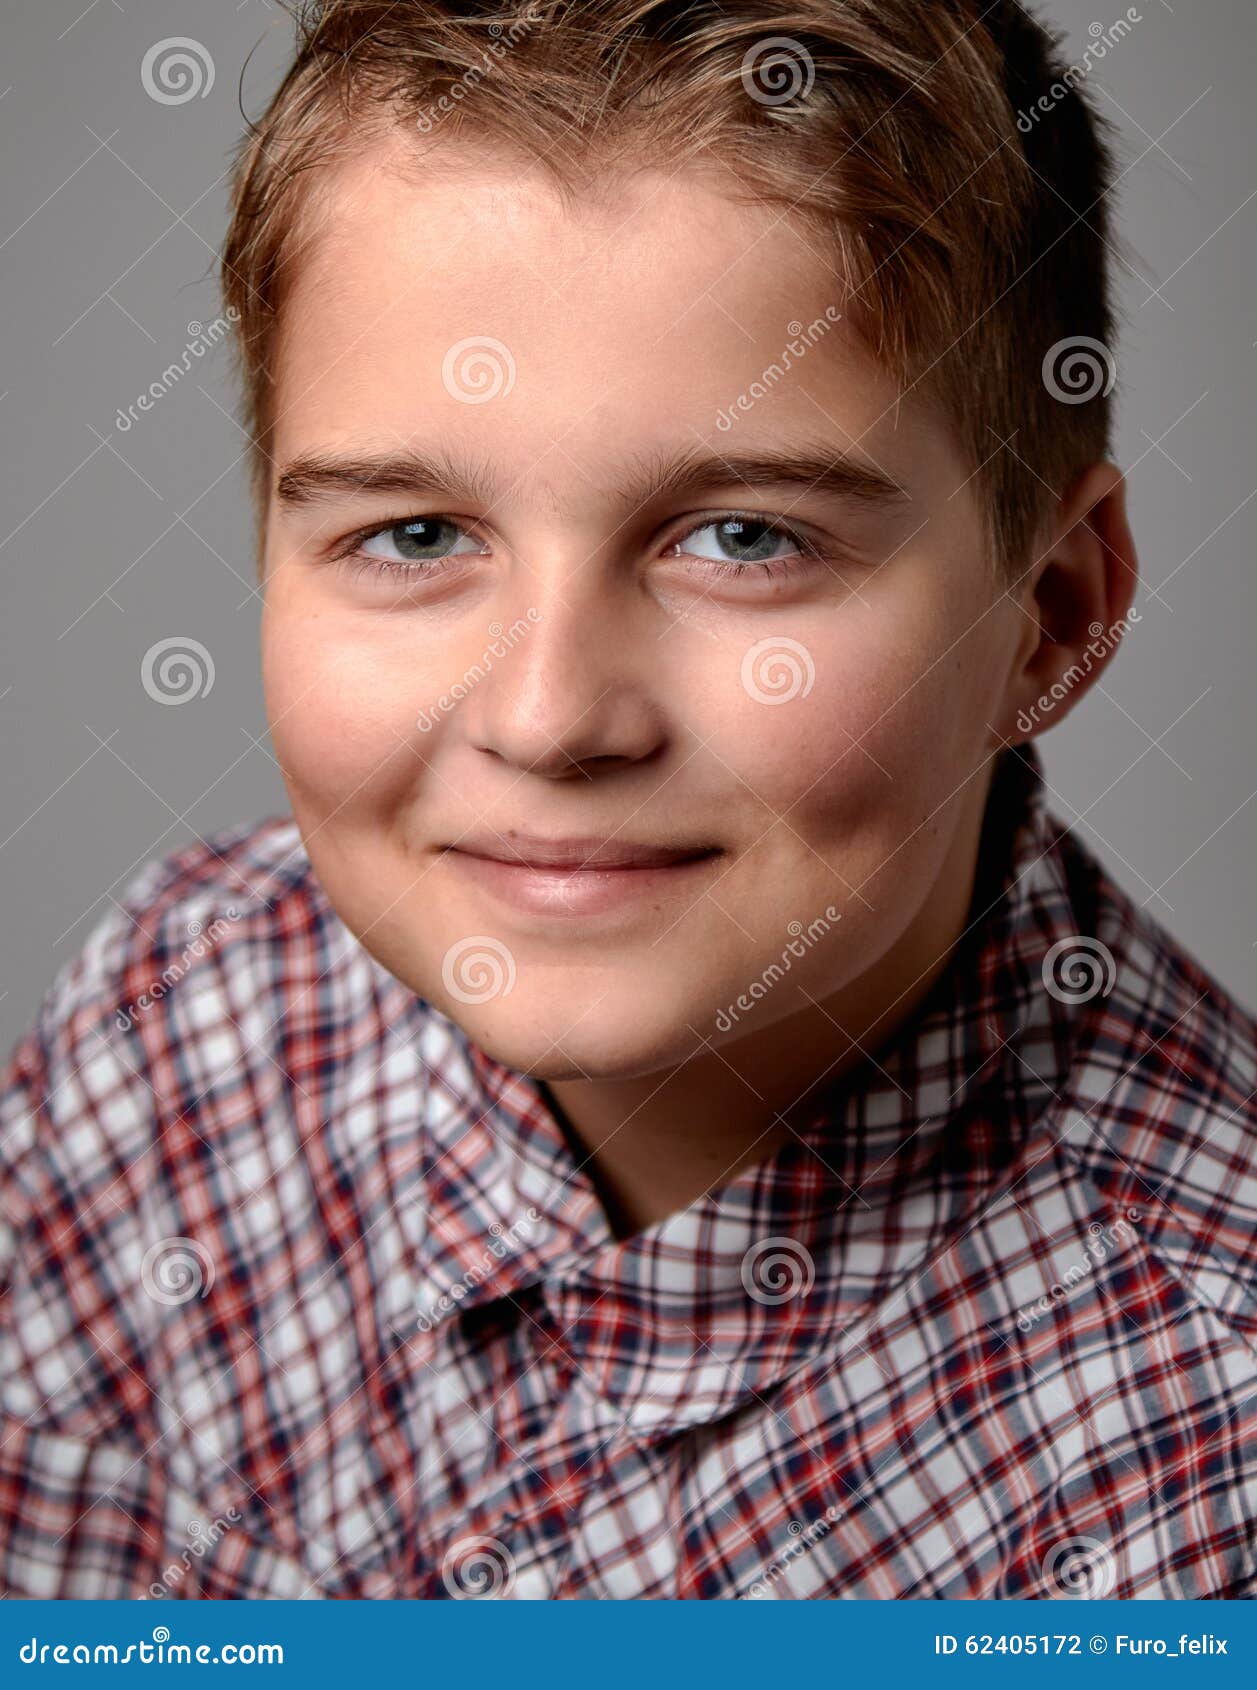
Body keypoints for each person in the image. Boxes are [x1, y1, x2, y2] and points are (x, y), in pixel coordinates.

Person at [2, 0, 1253, 1600]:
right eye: (415, 535)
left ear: (1053, 615)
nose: (545, 716)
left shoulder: (1202, 1481)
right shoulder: (170, 1022)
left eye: (744, 538)